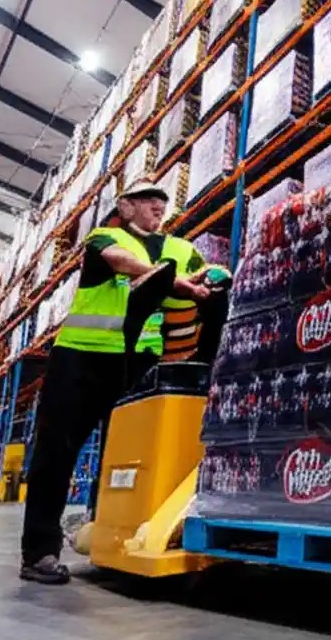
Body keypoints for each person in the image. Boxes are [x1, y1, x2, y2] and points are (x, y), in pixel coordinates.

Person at [19, 181, 229, 584]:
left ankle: (117, 534)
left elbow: (199, 280)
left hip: (138, 362)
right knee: (56, 451)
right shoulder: (107, 236)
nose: (158, 206)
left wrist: (206, 284)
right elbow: (117, 261)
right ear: (125, 206)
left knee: (129, 456)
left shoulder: (180, 249)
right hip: (82, 357)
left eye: (163, 201)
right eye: (148, 199)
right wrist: (165, 278)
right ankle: (38, 553)